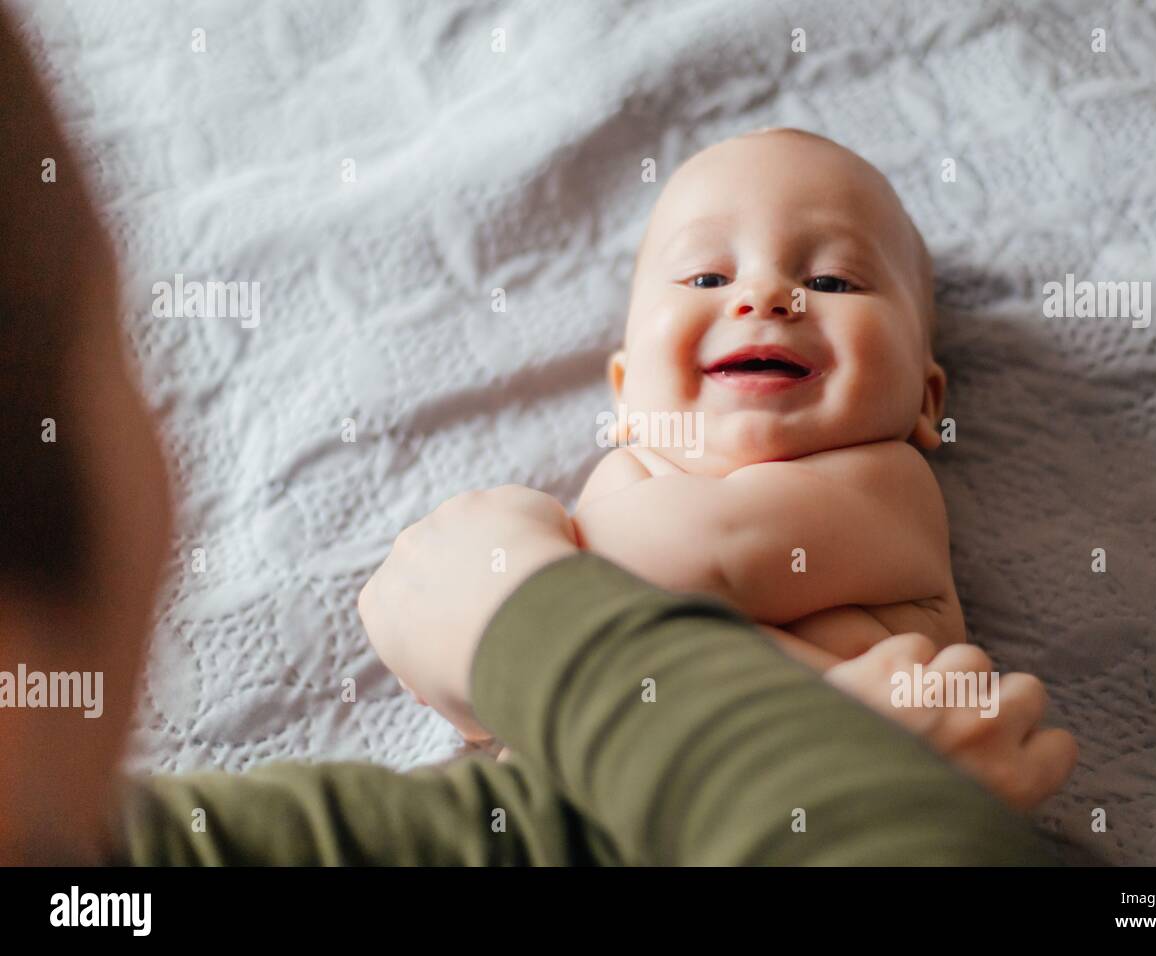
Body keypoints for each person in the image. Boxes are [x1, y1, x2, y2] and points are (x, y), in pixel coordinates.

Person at [0, 4, 1064, 866]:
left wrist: (509, 568)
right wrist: (500, 599)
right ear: (621, 384)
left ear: (927, 400)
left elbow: (699, 566)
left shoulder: (877, 481)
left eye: (830, 278)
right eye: (704, 276)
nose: (766, 296)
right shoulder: (615, 482)